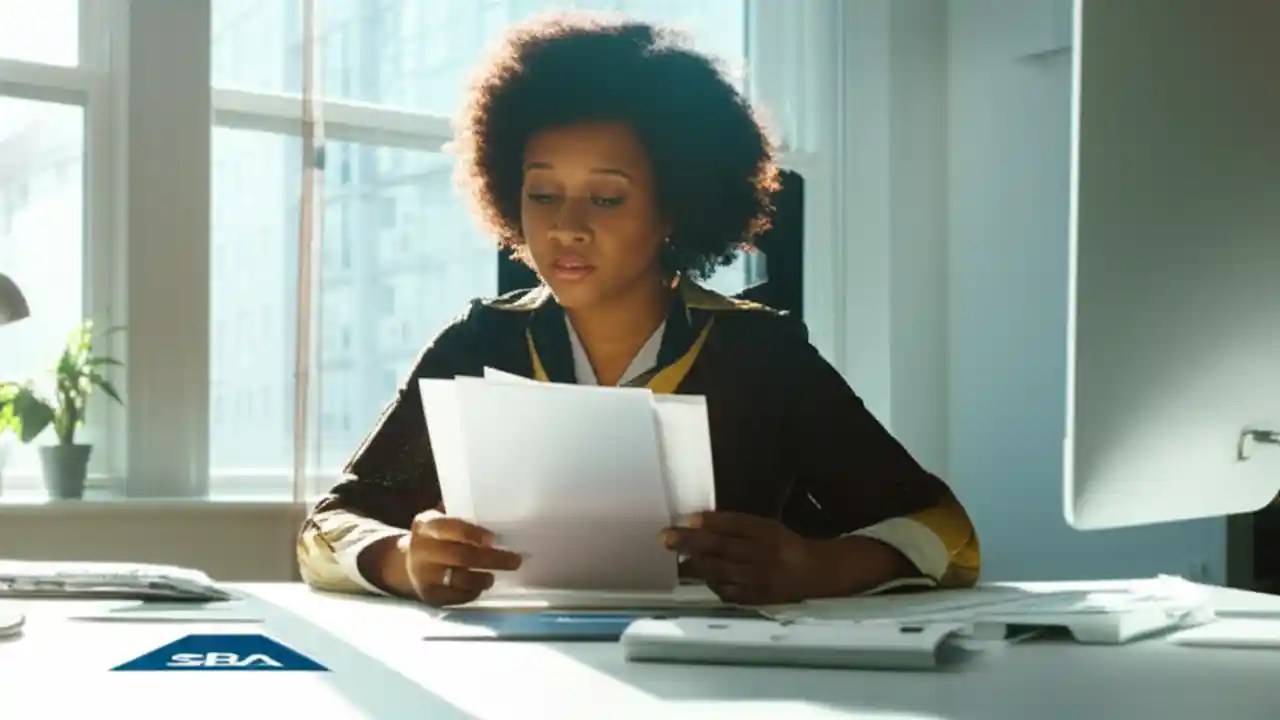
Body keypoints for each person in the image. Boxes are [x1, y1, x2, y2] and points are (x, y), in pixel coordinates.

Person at [297, 13, 979, 607]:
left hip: (730, 681)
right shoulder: (474, 344)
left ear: (674, 206)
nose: (565, 226)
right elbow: (328, 527)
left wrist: (817, 565)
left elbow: (946, 531)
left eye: (606, 198)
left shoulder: (763, 354)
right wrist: (401, 561)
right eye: (542, 194)